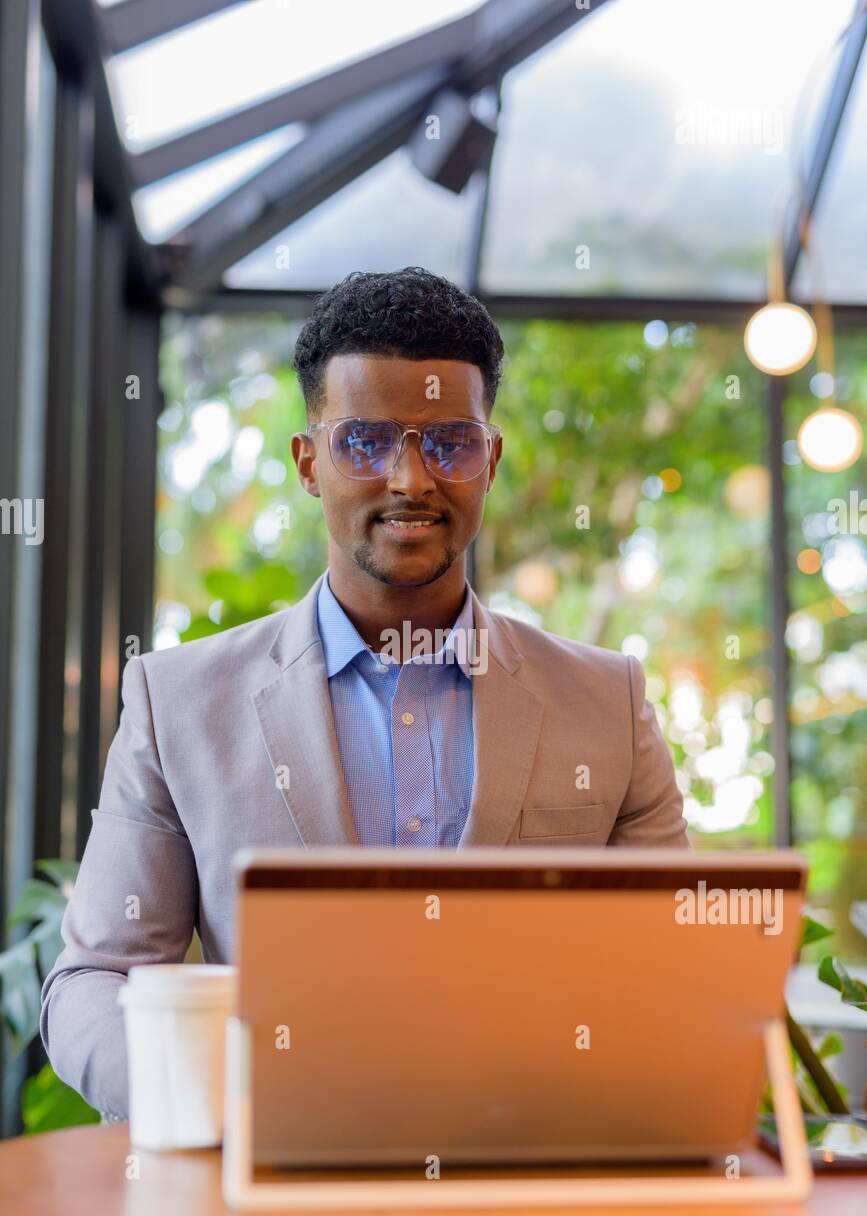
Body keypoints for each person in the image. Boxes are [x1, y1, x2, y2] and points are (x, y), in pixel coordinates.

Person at [41, 266, 688, 1117]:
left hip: (532, 1180)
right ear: (309, 463)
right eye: (364, 442)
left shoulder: (604, 702)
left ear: (488, 460)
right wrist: (222, 1111)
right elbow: (98, 980)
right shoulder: (180, 703)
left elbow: (669, 966)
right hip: (272, 1187)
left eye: (449, 441)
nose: (411, 480)